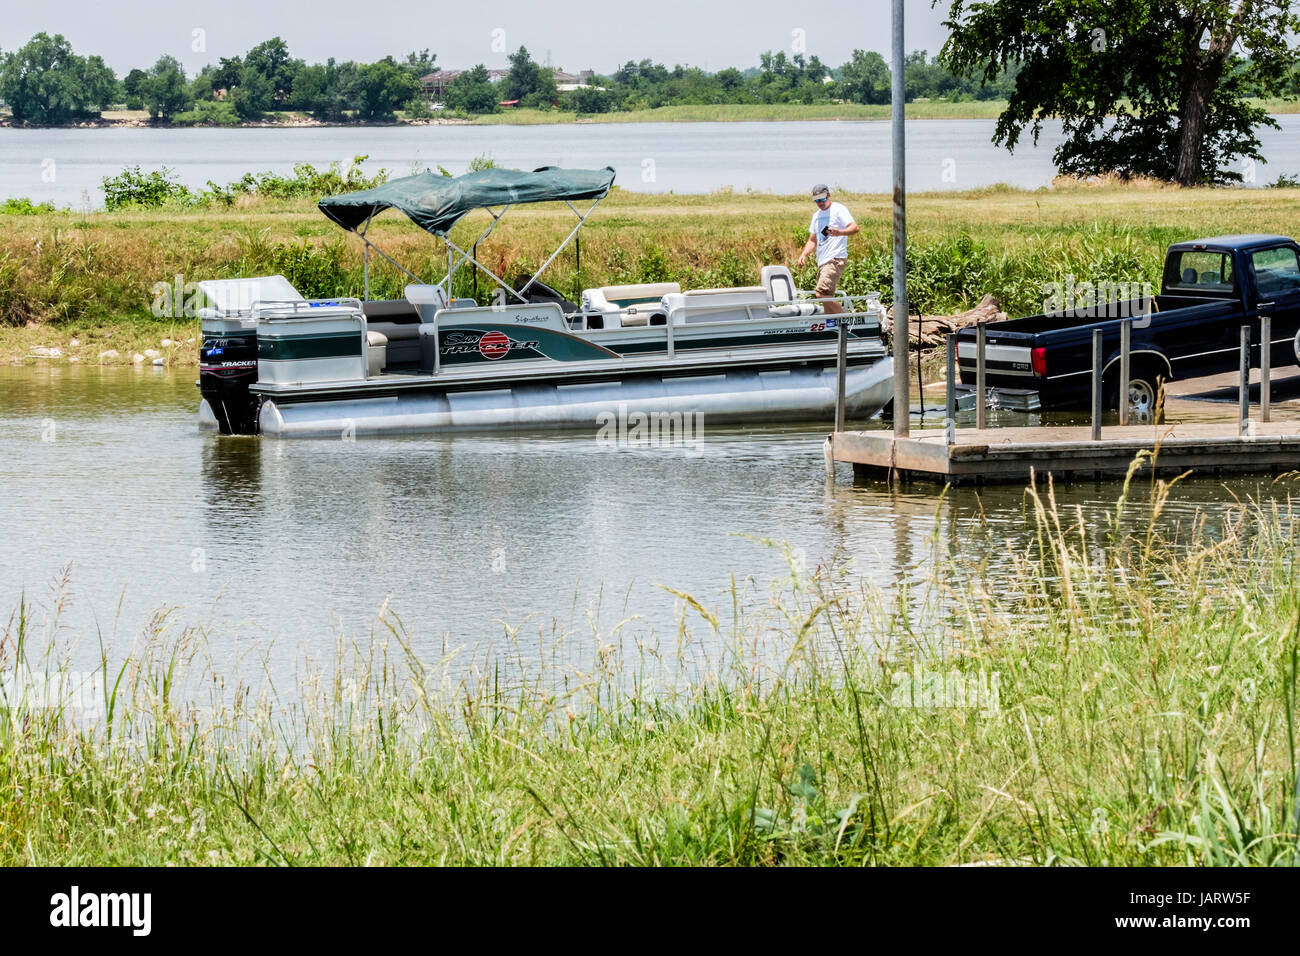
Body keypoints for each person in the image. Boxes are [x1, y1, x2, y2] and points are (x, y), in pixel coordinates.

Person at [796, 184, 859, 315]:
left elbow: (854, 228)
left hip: (835, 259)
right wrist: (804, 254)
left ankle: (847, 321)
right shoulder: (816, 216)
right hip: (822, 262)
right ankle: (833, 329)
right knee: (827, 299)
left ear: (828, 195)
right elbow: (812, 239)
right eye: (817, 200)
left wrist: (840, 232)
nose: (820, 203)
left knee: (821, 293)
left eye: (822, 199)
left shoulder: (839, 209)